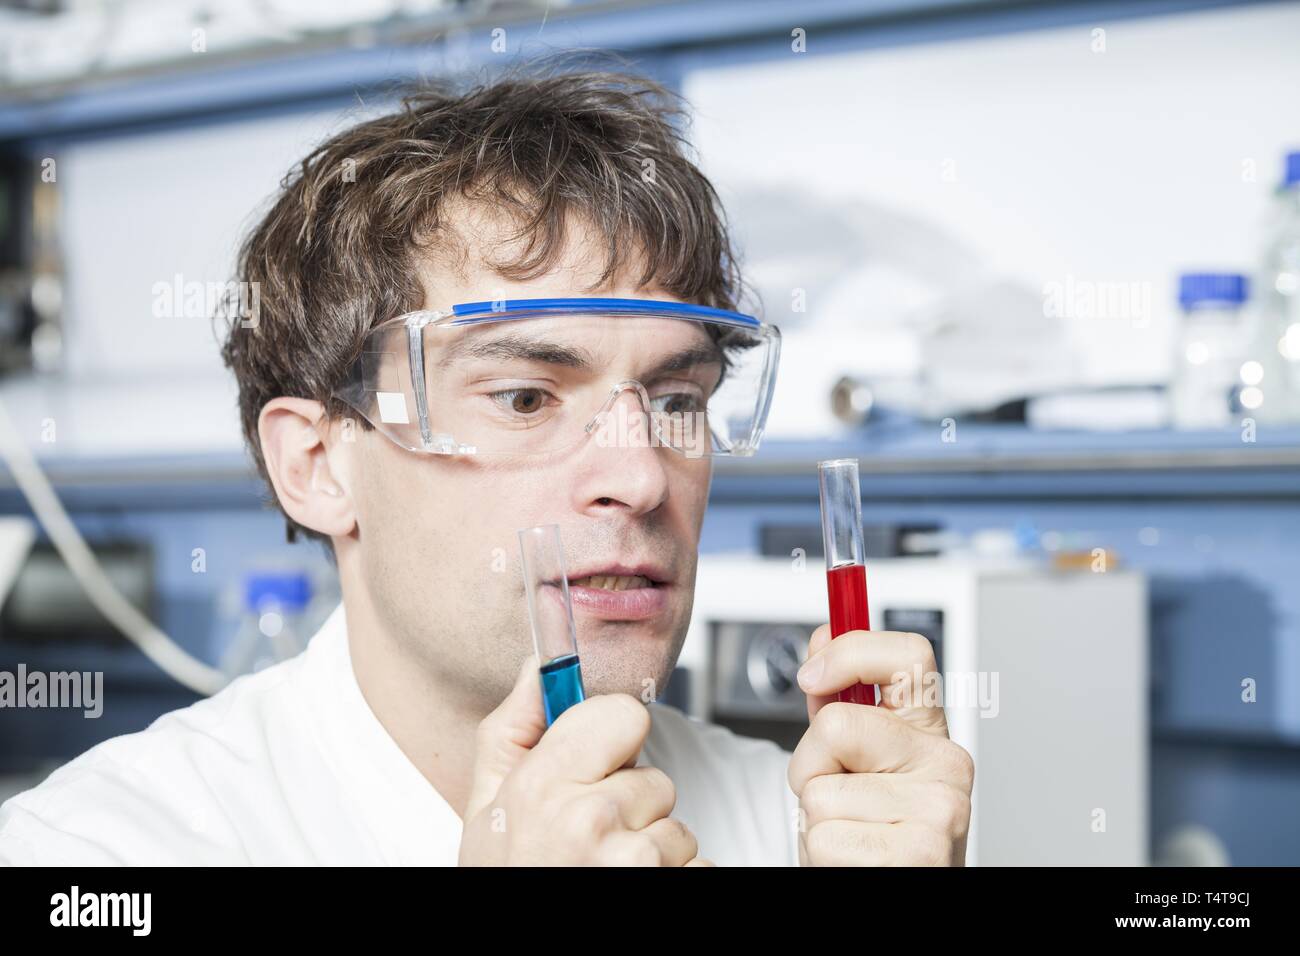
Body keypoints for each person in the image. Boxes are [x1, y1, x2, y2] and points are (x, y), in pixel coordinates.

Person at [0, 66, 972, 866]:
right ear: (316, 464)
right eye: (524, 398)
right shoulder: (99, 852)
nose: (638, 480)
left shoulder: (811, 825)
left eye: (677, 401)